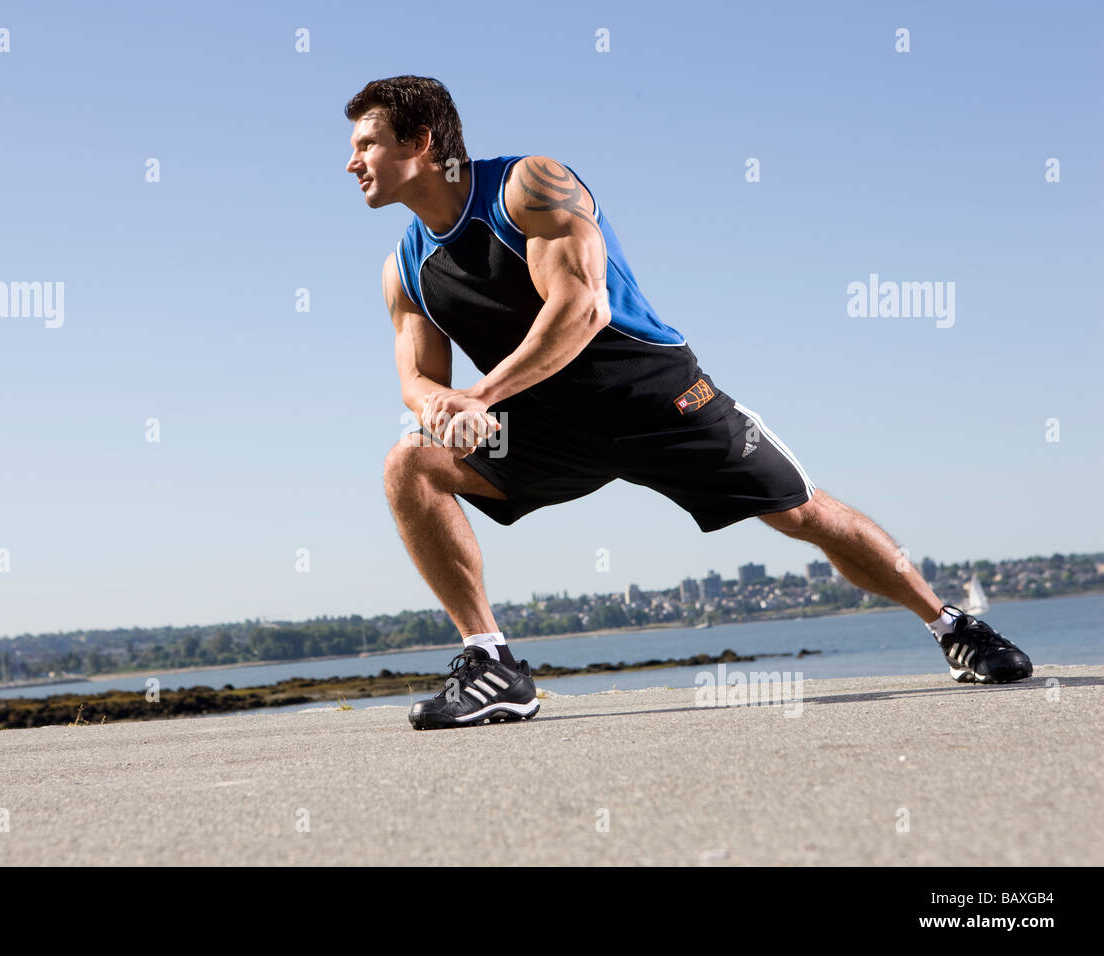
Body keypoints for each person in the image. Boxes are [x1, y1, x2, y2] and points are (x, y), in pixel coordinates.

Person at [344, 76, 1033, 731]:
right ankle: (493, 664)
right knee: (411, 463)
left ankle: (953, 626)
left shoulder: (529, 184)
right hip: (543, 427)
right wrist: (440, 407)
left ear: (423, 141)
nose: (353, 163)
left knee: (803, 513)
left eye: (366, 144)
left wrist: (482, 395)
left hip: (651, 393)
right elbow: (415, 376)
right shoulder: (402, 266)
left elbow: (581, 309)